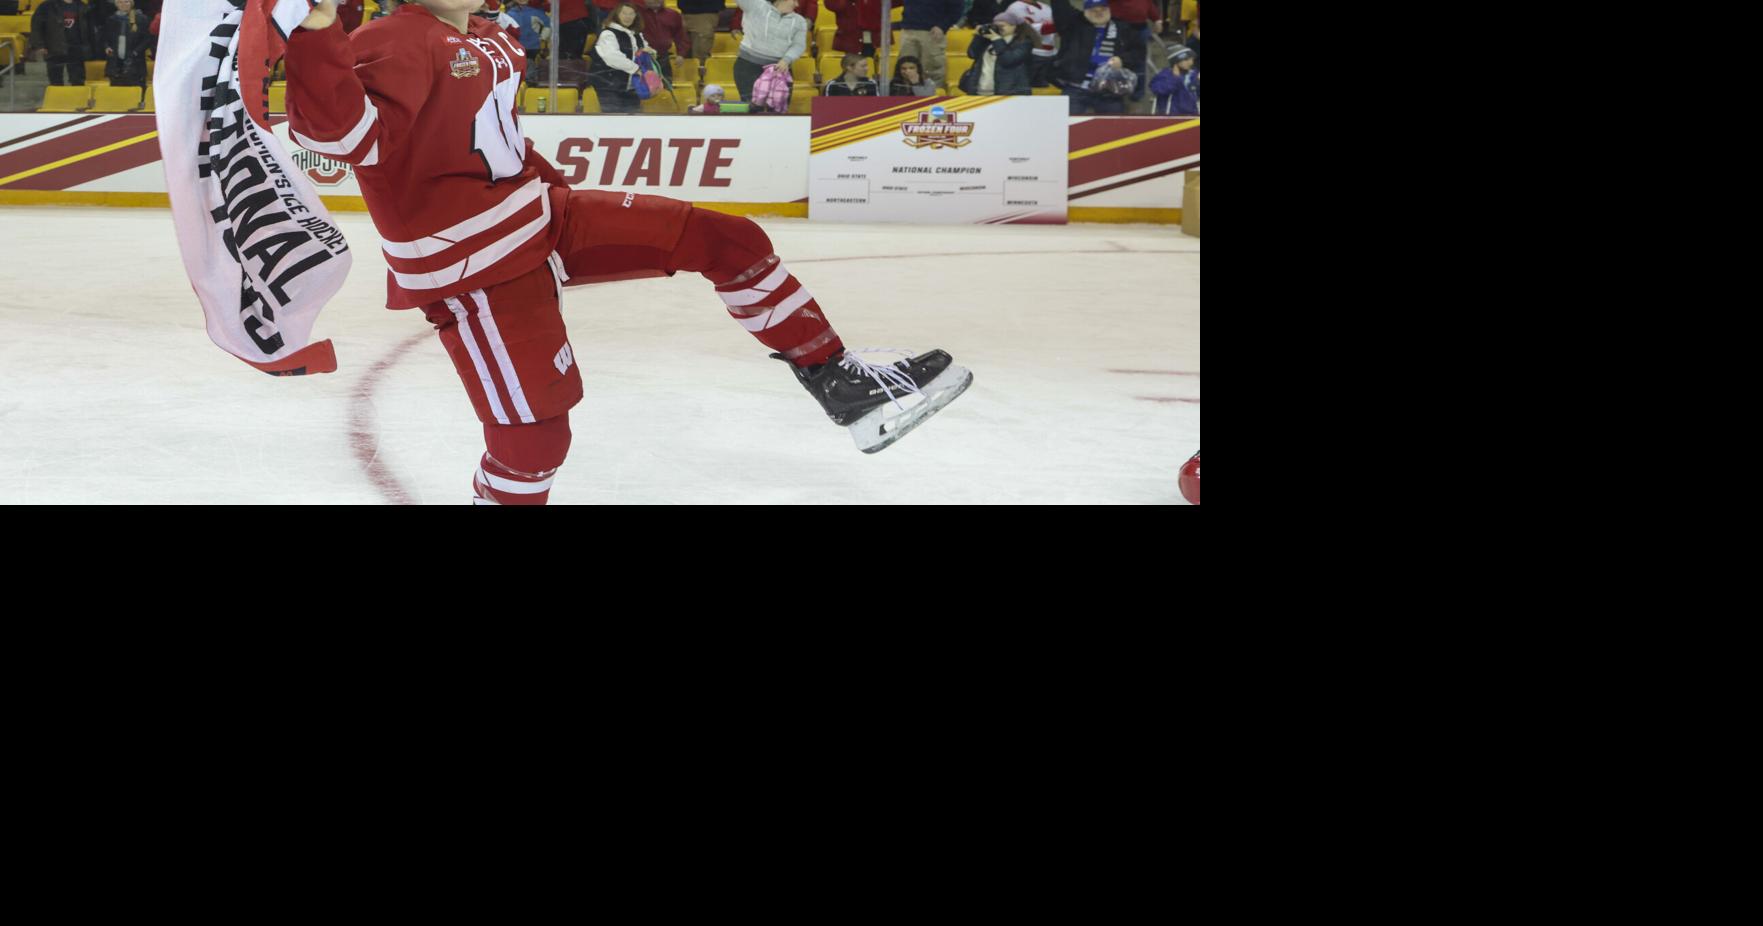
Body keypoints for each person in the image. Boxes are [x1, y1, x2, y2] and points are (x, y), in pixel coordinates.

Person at [284, 0, 970, 504]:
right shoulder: (389, 40)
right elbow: (347, 141)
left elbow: (490, 134)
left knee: (730, 240)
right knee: (535, 440)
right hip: (472, 261)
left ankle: (846, 388)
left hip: (537, 215)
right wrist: (316, 36)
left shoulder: (491, 34)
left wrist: (544, 182)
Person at [1050, 0, 1145, 115]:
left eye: (1103, 9)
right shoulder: (1073, 24)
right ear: (1085, 11)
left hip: (1110, 91)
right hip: (1076, 89)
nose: (1099, 12)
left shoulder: (1123, 28)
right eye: (1093, 10)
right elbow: (1060, 6)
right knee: (1070, 129)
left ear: (1109, 9)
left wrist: (1122, 60)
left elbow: (1139, 51)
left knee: (1113, 129)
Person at [731, 0, 805, 105]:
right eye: (794, 0)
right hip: (747, 67)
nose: (797, 4)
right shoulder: (755, 5)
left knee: (778, 110)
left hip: (780, 69)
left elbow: (798, 45)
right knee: (752, 108)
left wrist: (786, 60)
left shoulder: (799, 21)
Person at [589, 1, 653, 112]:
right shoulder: (608, 34)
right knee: (613, 120)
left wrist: (651, 53)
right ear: (617, 14)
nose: (628, 17)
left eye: (631, 13)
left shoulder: (636, 34)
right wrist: (636, 68)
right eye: (624, 13)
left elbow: (645, 49)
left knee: (632, 121)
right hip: (609, 86)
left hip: (631, 87)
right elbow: (612, 57)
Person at [960, 10, 1032, 95]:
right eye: (996, 26)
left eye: (1002, 26)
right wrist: (978, 37)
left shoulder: (1024, 43)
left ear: (1014, 26)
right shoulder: (987, 40)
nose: (998, 28)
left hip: (1009, 91)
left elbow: (1008, 60)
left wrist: (997, 39)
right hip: (980, 89)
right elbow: (972, 54)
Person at [29, 0, 96, 87]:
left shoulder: (83, 6)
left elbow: (90, 29)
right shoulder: (46, 6)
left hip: (77, 49)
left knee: (78, 82)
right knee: (55, 82)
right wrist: (39, 45)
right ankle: (57, 100)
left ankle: (77, 100)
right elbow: (36, 26)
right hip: (53, 48)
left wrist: (90, 47)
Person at [101, 0, 151, 86]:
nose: (123, 4)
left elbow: (147, 39)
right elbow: (104, 38)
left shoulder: (141, 18)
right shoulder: (111, 19)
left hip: (135, 64)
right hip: (115, 64)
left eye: (126, 1)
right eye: (120, 2)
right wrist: (107, 47)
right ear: (116, 4)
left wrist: (135, 52)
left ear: (131, 3)